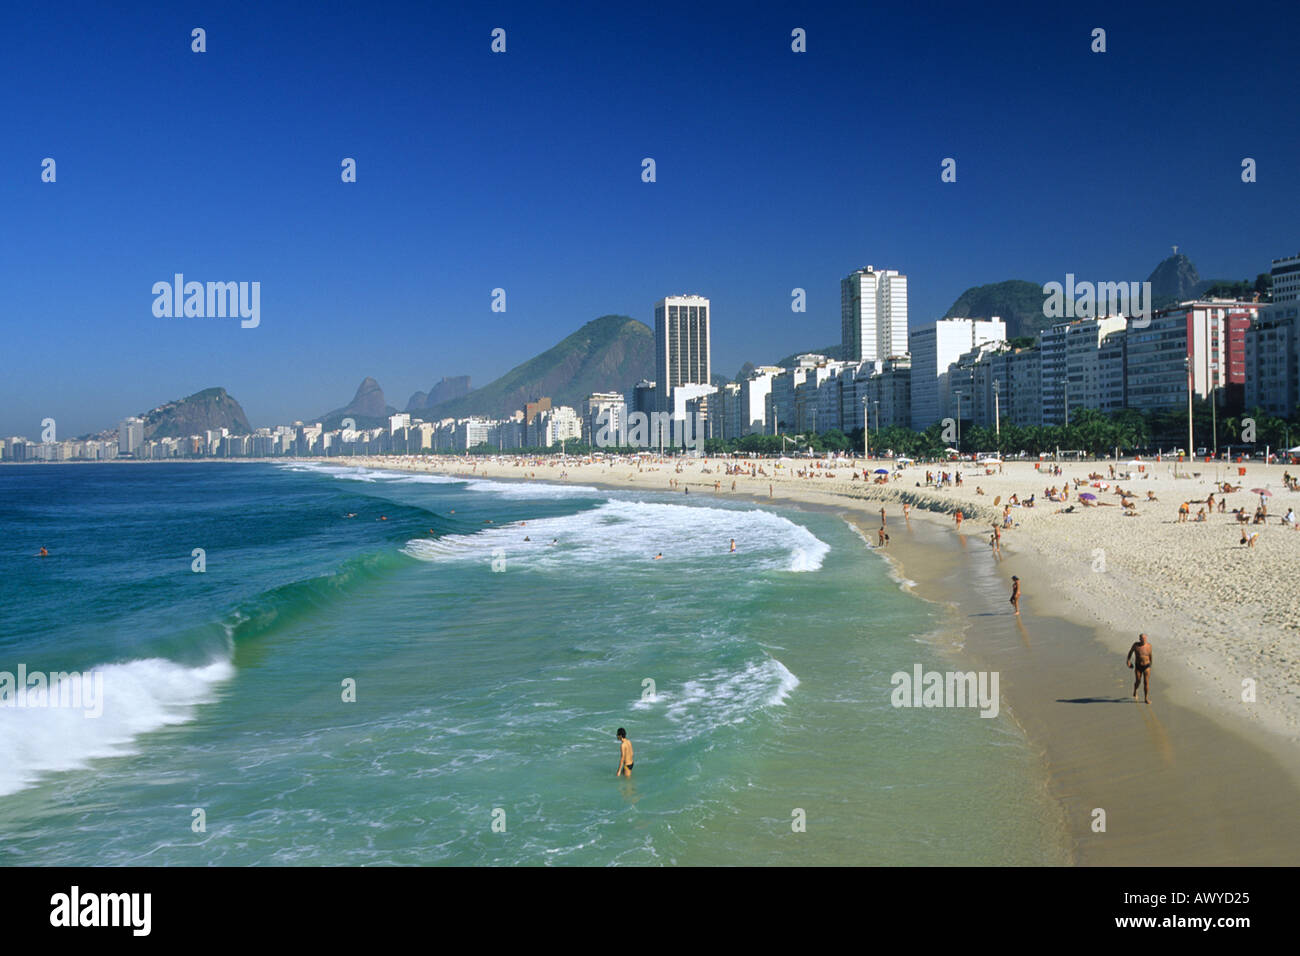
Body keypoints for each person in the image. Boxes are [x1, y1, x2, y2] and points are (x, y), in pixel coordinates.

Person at [1126, 633, 1153, 703]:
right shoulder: (1136, 645)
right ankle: (1135, 690)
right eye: (1142, 639)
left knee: (1146, 682)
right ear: (1140, 639)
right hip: (1138, 666)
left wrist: (1151, 664)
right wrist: (1128, 661)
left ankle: (1146, 698)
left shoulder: (1149, 646)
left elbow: (1150, 655)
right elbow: (1130, 652)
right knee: (1138, 681)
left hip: (1147, 666)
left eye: (1145, 638)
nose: (1144, 640)